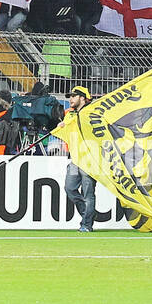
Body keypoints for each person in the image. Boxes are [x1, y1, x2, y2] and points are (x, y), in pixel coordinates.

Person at [63, 85, 98, 232]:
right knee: (69, 188)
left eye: (74, 96)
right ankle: (88, 215)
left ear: (83, 98)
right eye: (70, 96)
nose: (70, 99)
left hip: (90, 159)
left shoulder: (92, 113)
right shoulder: (69, 114)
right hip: (75, 159)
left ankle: (86, 224)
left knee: (88, 193)